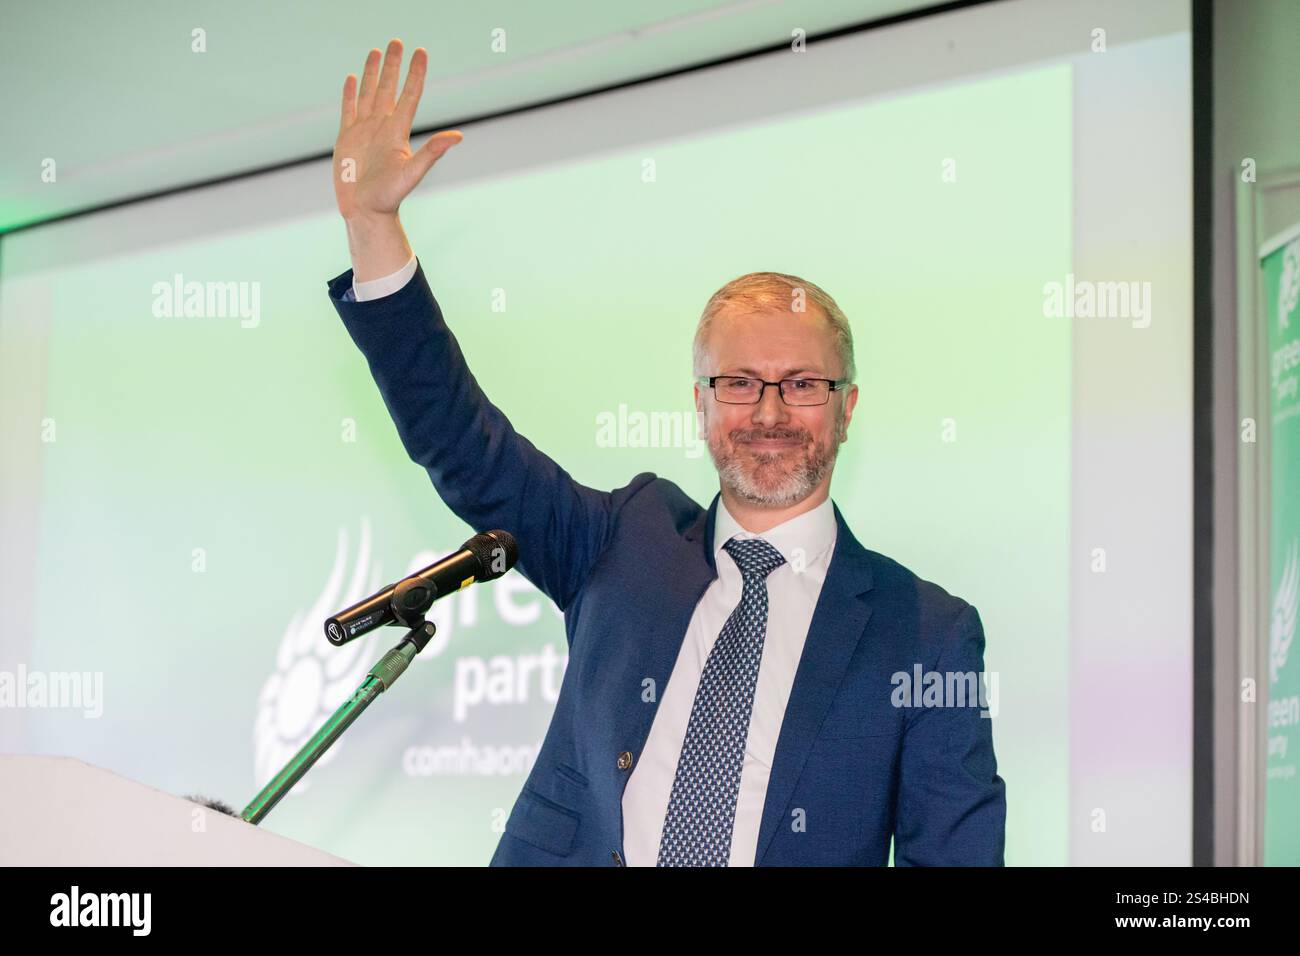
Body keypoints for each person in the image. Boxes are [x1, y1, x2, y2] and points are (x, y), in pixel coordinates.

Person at [326, 39, 1006, 866]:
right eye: (738, 383)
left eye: (801, 384)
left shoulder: (927, 632)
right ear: (699, 404)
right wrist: (372, 225)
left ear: (847, 407)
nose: (767, 411)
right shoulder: (624, 539)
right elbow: (462, 443)